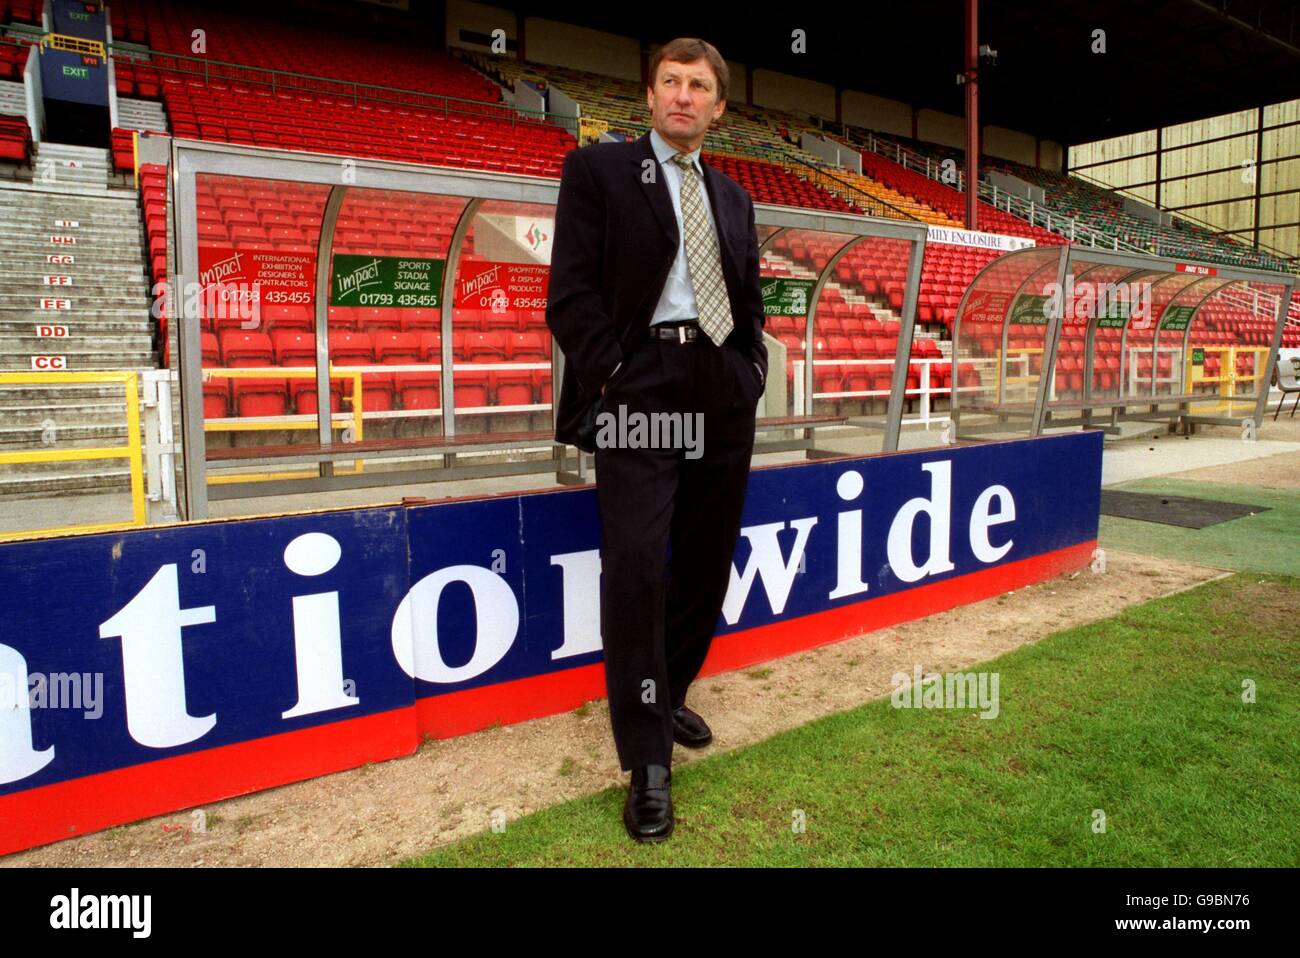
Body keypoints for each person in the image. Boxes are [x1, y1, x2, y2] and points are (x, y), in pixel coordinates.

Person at [546, 37, 767, 842]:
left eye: (698, 85)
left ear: (718, 106)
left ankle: (667, 690)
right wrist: (613, 376)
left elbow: (749, 303)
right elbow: (569, 296)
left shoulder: (736, 198)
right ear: (648, 96)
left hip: (720, 390)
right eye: (669, 81)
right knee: (637, 565)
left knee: (706, 561)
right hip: (638, 387)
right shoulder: (597, 172)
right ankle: (647, 763)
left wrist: (748, 370)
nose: (682, 95)